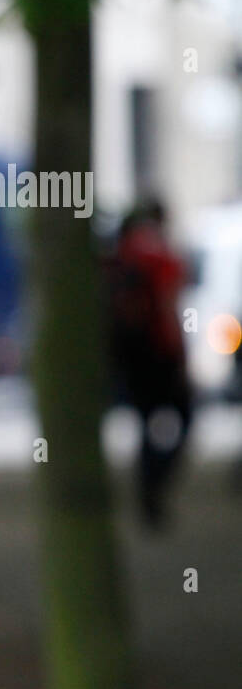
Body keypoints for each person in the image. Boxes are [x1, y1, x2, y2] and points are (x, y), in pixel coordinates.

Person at [106, 199, 193, 528]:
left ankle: (146, 491)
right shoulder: (162, 258)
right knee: (184, 417)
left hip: (130, 354)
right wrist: (181, 358)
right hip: (160, 352)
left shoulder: (119, 256)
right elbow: (172, 309)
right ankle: (154, 485)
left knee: (145, 424)